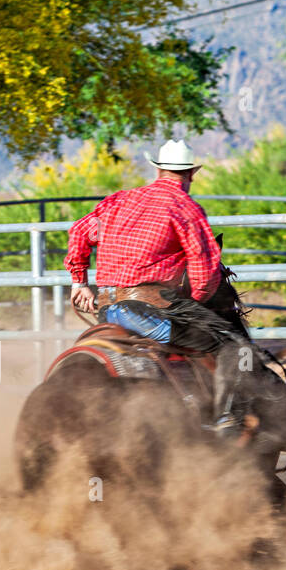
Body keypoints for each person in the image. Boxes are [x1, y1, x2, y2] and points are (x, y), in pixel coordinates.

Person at [64, 139, 256, 433]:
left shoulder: (118, 201)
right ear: (191, 173)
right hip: (150, 311)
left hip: (106, 310)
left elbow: (78, 231)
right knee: (233, 345)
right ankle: (227, 422)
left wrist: (80, 282)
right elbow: (204, 271)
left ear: (158, 170)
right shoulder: (186, 208)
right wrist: (197, 301)